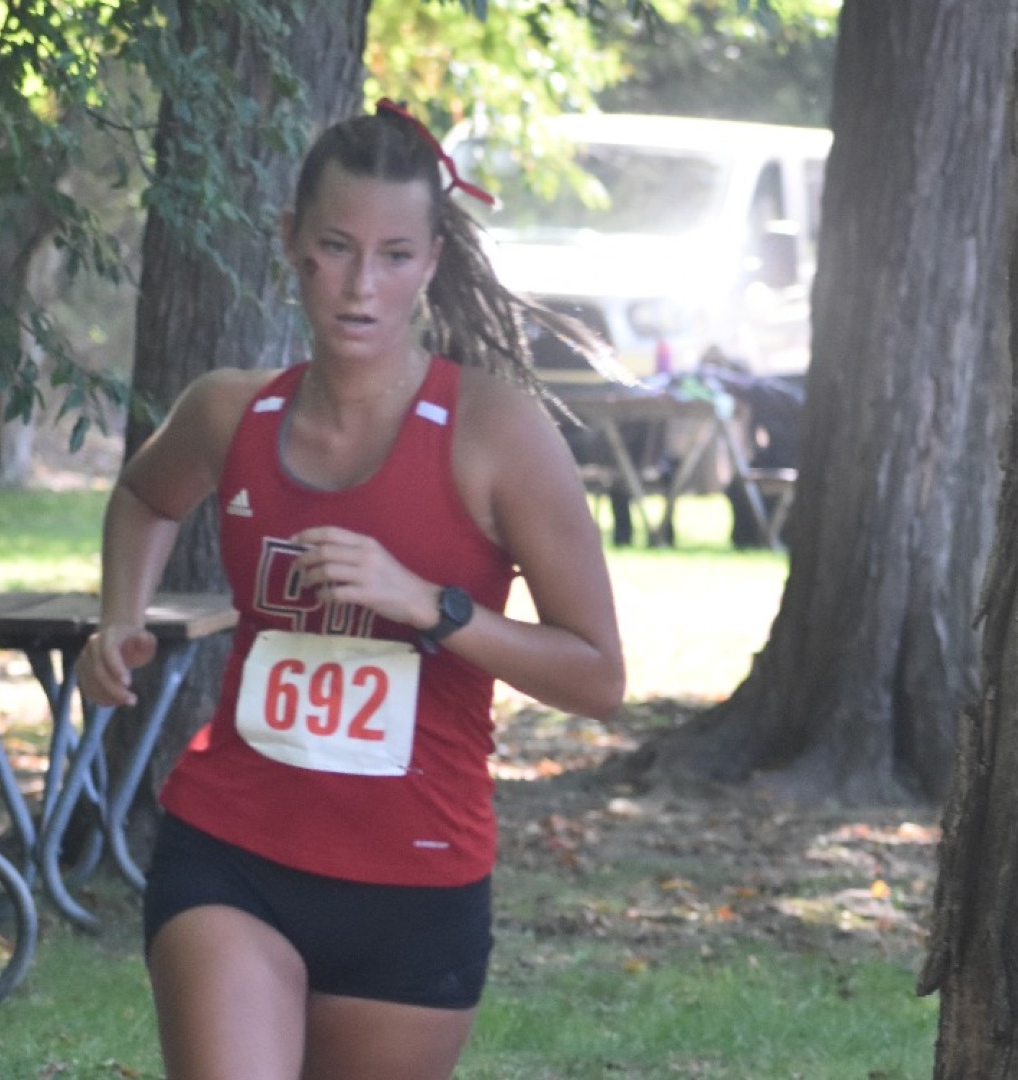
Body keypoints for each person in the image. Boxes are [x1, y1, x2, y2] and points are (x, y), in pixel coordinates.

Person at [74, 99, 626, 1080]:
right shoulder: (230, 410)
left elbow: (597, 677)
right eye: (336, 247)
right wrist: (120, 616)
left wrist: (435, 606)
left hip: (414, 880)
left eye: (397, 255)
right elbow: (144, 499)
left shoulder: (498, 433)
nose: (362, 286)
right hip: (231, 848)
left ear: (431, 261)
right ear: (291, 242)